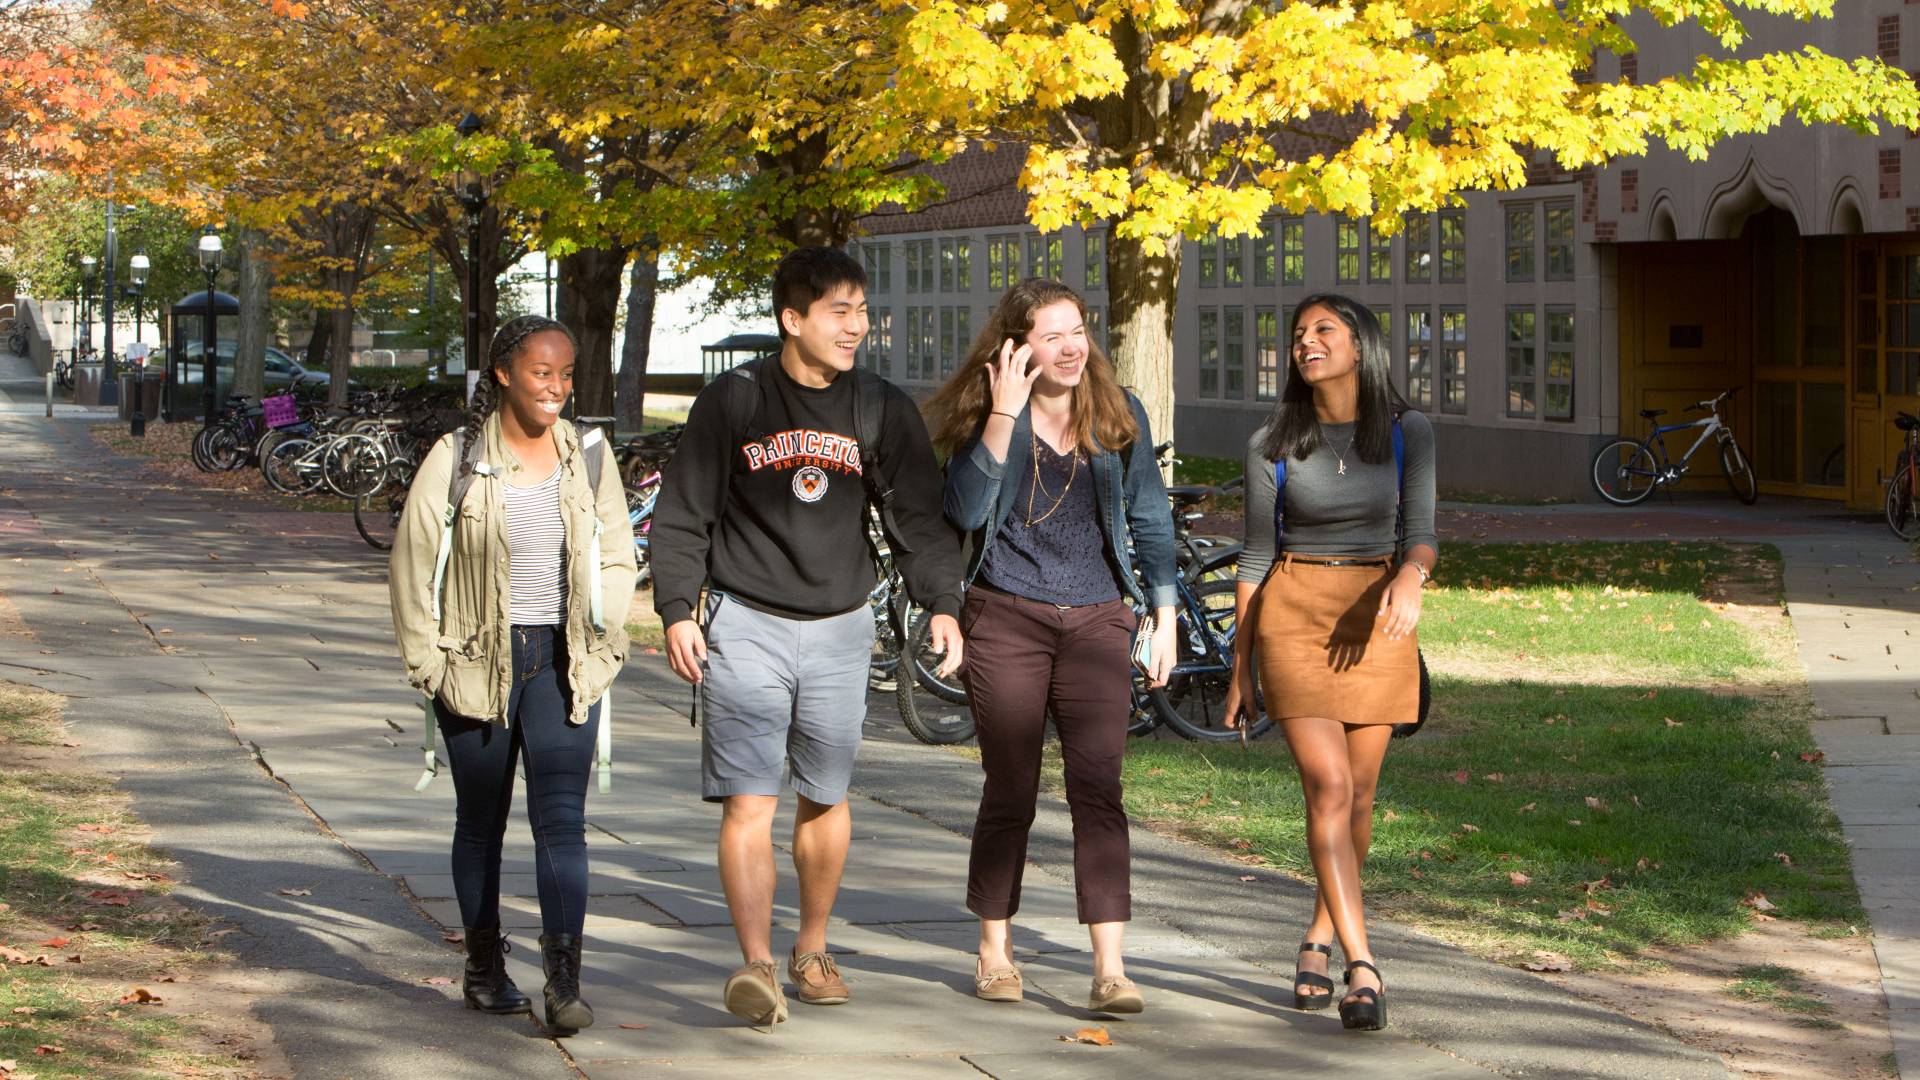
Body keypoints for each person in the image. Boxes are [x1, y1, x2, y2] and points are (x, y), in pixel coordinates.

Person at [651, 246, 967, 1027]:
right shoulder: (735, 400)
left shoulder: (879, 408)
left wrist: (942, 602)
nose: (857, 326)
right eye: (839, 312)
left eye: (862, 311)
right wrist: (678, 609)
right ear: (792, 319)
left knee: (826, 795)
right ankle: (757, 963)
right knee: (749, 800)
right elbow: (684, 514)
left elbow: (918, 520)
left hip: (839, 629)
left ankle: (813, 948)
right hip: (745, 624)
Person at [924, 278, 1178, 1015]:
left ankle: (1110, 969)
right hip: (1006, 617)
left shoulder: (1119, 411)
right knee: (1011, 786)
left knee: (1100, 789)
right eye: (1051, 335)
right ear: (1018, 348)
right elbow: (963, 510)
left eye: (1077, 331)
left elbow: (1150, 517)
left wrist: (1164, 615)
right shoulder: (987, 416)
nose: (1070, 348)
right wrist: (1004, 415)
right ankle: (994, 949)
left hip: (1097, 619)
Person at [389, 315, 638, 1037]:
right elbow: (412, 563)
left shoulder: (589, 455)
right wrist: (428, 664)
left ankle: (564, 982)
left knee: (562, 820)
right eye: (541, 373)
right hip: (476, 661)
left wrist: (603, 635)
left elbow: (618, 552)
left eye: (566, 374)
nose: (556, 387)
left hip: (564, 662)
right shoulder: (457, 456)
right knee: (482, 822)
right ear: (504, 373)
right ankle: (483, 967)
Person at [1223, 294, 1437, 1032]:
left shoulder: (1407, 431)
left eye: (1323, 330)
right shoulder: (1272, 442)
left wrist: (1411, 575)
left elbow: (1422, 532)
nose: (1306, 342)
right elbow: (1256, 557)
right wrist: (1240, 668)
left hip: (1377, 616)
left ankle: (1317, 936)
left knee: (1361, 797)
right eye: (1298, 335)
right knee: (1330, 785)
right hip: (1294, 616)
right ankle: (1362, 964)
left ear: (1360, 345)